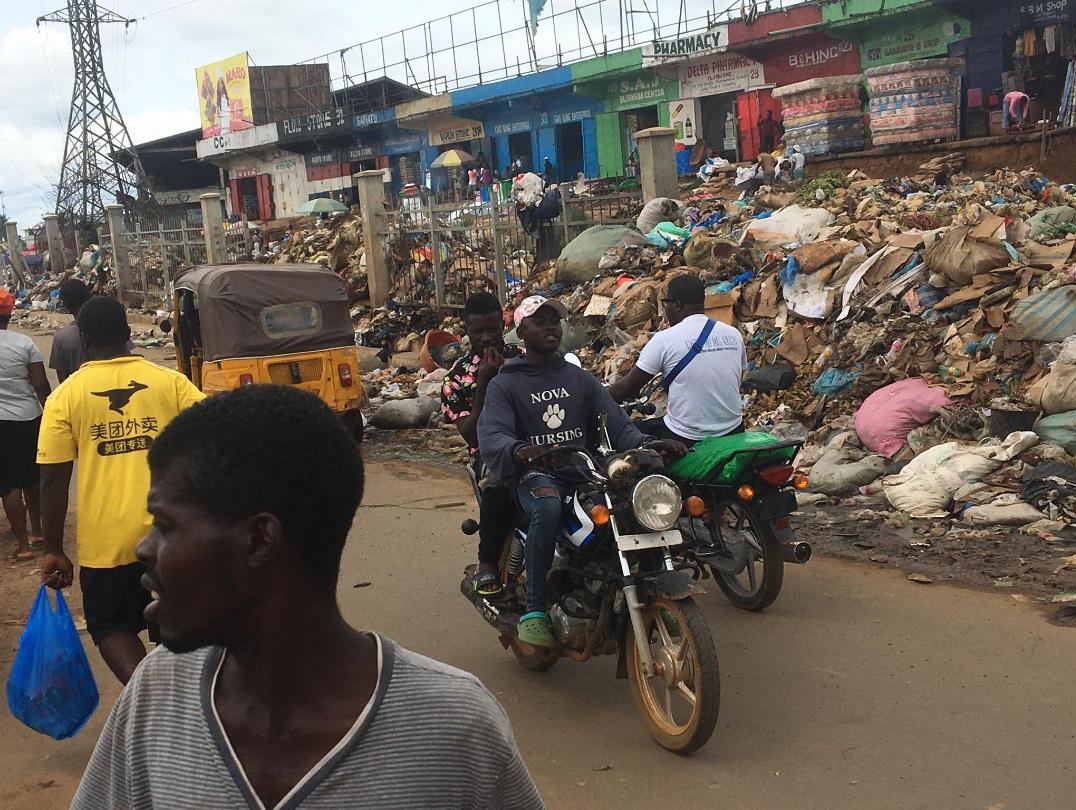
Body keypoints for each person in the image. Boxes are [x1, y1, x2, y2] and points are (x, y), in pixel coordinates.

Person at [72, 385, 543, 809]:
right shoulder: (157, 695)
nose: (143, 549)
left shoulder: (455, 727)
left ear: (258, 541)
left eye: (165, 525)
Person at [478, 296, 683, 648]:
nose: (550, 327)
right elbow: (493, 432)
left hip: (582, 468)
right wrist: (519, 449)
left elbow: (616, 422)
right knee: (547, 506)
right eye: (539, 321)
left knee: (634, 496)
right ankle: (535, 609)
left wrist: (646, 444)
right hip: (534, 475)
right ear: (521, 331)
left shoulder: (578, 378)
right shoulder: (505, 383)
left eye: (554, 321)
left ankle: (656, 589)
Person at [38, 296, 206, 684]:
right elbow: (214, 437)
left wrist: (53, 548)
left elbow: (52, 477)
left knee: (111, 624)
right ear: (129, 334)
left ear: (84, 337)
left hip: (106, 542)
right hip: (172, 531)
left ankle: (149, 694)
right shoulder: (171, 382)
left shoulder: (65, 396)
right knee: (178, 617)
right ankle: (183, 694)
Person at [441, 292, 519, 596]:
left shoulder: (524, 356)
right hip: (489, 451)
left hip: (538, 441)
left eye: (493, 330)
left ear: (503, 324)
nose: (487, 338)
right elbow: (471, 436)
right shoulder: (457, 379)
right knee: (499, 481)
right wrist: (485, 381)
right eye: (478, 332)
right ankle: (487, 562)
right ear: (466, 331)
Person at [609, 275, 746, 446]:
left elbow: (625, 389)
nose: (664, 310)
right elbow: (737, 378)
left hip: (687, 437)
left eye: (665, 304)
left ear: (678, 305)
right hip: (734, 429)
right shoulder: (733, 334)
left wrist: (597, 395)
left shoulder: (664, 340)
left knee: (626, 436)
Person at [0, 291, 51, 561]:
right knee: (32, 477)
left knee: (8, 484)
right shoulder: (24, 343)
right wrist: (52, 415)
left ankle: (23, 546)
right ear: (9, 314)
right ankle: (38, 531)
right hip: (29, 418)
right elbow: (41, 385)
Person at [49, 279, 92, 383]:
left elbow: (63, 380)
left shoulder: (61, 338)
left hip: (79, 394)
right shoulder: (110, 326)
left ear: (66, 305)